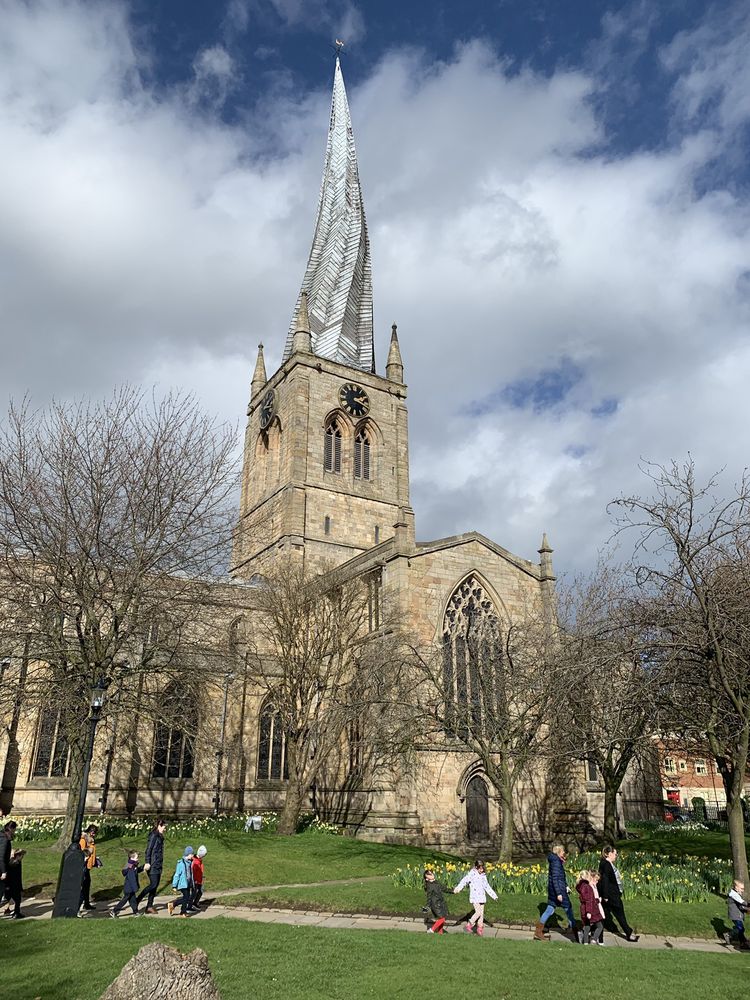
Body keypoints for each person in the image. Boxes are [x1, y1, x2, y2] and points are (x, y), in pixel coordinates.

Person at [534, 844, 577, 941]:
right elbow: (555, 879)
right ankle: (576, 934)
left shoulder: (556, 861)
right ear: (558, 853)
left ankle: (538, 932)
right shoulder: (556, 862)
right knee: (568, 909)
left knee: (549, 909)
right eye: (562, 852)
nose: (564, 853)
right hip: (558, 891)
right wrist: (559, 893)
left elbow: (560, 878)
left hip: (556, 890)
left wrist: (566, 886)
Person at [599, 845, 639, 942]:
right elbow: (605, 881)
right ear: (609, 854)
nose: (616, 856)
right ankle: (629, 934)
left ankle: (594, 934)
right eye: (615, 854)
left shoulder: (606, 864)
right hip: (611, 895)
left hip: (610, 895)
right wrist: (605, 896)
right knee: (620, 914)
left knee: (601, 915)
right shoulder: (606, 865)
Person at [453, 859, 497, 936]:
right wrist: (458, 888)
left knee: (481, 915)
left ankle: (479, 929)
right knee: (478, 912)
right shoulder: (472, 874)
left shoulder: (483, 876)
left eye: (482, 868)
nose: (481, 870)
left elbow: (487, 887)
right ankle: (469, 925)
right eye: (480, 868)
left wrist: (494, 896)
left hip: (482, 897)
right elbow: (464, 881)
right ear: (476, 867)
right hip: (475, 897)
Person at [137, 818, 167, 914]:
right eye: (164, 827)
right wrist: (147, 862)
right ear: (159, 826)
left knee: (155, 886)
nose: (165, 829)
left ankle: (149, 906)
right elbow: (148, 850)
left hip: (158, 864)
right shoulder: (154, 835)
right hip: (153, 864)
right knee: (153, 884)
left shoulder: (160, 836)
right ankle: (137, 900)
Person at [111, 850, 149, 918]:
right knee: (124, 900)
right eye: (136, 858)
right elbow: (132, 878)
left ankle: (135, 912)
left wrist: (143, 867)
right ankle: (114, 911)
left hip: (130, 888)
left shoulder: (132, 864)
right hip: (129, 888)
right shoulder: (131, 866)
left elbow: (136, 871)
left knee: (133, 900)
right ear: (132, 858)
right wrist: (135, 888)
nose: (138, 859)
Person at [0, 821, 25, 919]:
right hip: (4, 870)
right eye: (14, 830)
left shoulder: (3, 837)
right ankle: (15, 912)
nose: (14, 833)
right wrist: (3, 872)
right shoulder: (4, 840)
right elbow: (1, 857)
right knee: (5, 891)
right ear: (11, 829)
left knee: (10, 892)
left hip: (6, 868)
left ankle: (15, 911)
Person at [575, 869, 604, 945]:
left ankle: (585, 942)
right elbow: (588, 900)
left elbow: (589, 899)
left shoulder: (581, 886)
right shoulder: (587, 887)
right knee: (600, 926)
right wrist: (589, 912)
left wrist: (597, 900)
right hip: (591, 910)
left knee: (587, 926)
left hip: (584, 909)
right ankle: (593, 940)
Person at [168, 846, 194, 917]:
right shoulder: (181, 863)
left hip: (188, 883)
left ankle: (173, 905)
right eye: (192, 854)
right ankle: (182, 913)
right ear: (188, 854)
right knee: (186, 897)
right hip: (182, 884)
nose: (192, 856)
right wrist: (174, 885)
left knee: (187, 897)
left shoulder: (190, 863)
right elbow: (177, 875)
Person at [423, 868, 450, 934]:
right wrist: (428, 906)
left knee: (442, 918)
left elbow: (444, 889)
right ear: (426, 878)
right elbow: (429, 897)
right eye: (429, 874)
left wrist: (453, 891)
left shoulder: (436, 882)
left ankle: (440, 933)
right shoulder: (429, 885)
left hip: (440, 903)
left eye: (431, 873)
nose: (431, 874)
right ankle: (431, 930)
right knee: (442, 919)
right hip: (435, 904)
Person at [79, 824, 98, 912]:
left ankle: (86, 903)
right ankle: (80, 904)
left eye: (95, 833)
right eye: (92, 832)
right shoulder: (84, 840)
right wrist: (89, 851)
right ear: (89, 831)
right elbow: (82, 852)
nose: (94, 834)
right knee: (84, 886)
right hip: (84, 866)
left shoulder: (91, 840)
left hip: (88, 866)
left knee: (87, 885)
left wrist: (95, 861)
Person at [726, 879, 750, 950]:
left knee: (740, 929)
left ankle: (743, 943)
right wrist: (748, 904)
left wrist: (746, 910)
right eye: (742, 888)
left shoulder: (737, 894)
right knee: (740, 928)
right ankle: (729, 935)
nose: (743, 890)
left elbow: (740, 906)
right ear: (736, 887)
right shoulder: (733, 894)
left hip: (738, 915)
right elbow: (742, 902)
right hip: (735, 915)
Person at [191, 845, 207, 910]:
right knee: (194, 893)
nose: (204, 856)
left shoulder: (199, 860)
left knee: (200, 891)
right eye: (204, 855)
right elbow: (193, 872)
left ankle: (195, 903)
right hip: (196, 880)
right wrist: (194, 880)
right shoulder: (195, 861)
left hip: (200, 879)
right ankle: (191, 904)